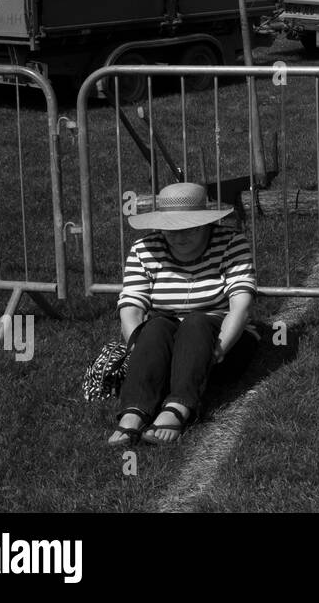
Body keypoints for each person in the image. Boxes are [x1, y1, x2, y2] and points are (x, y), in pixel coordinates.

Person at [107, 183, 258, 446]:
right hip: (168, 339)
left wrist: (218, 350)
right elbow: (131, 307)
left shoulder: (232, 243)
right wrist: (137, 348)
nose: (180, 235)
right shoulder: (144, 248)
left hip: (222, 340)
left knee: (196, 321)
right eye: (172, 228)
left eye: (190, 227)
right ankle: (133, 411)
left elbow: (241, 307)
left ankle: (177, 407)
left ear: (205, 224)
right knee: (155, 327)